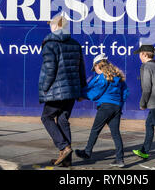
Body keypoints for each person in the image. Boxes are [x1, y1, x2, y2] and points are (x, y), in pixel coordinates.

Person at [38, 13, 87, 167]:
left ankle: (63, 147)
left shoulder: (50, 44)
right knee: (63, 119)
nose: (50, 26)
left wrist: (44, 88)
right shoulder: (75, 44)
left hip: (56, 90)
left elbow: (49, 69)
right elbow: (81, 68)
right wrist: (82, 89)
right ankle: (66, 160)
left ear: (56, 26)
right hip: (72, 90)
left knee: (46, 118)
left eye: (52, 24)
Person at [75, 53, 129, 168]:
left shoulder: (102, 77)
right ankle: (120, 159)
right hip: (116, 107)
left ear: (98, 65)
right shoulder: (117, 76)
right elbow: (125, 93)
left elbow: (95, 93)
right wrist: (119, 106)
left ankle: (87, 152)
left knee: (95, 130)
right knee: (116, 134)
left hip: (105, 107)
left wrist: (81, 95)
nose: (94, 70)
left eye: (94, 68)